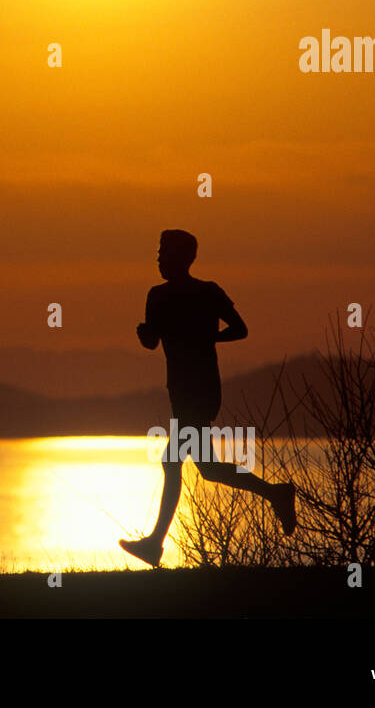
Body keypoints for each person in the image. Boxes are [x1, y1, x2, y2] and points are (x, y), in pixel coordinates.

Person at [119, 229, 296, 567]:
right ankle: (276, 493)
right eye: (158, 252)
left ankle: (154, 544)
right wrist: (145, 335)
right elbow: (152, 341)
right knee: (208, 468)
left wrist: (205, 337)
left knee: (174, 462)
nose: (158, 257)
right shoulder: (156, 296)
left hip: (200, 390)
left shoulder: (207, 292)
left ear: (182, 257)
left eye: (164, 252)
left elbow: (240, 329)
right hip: (181, 389)